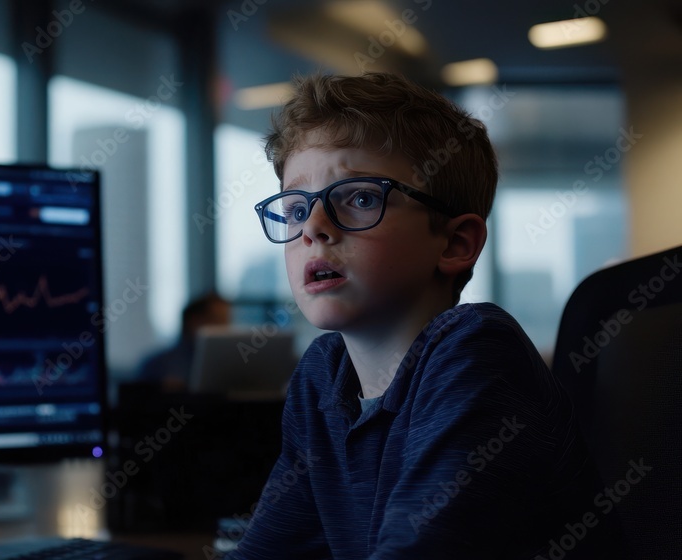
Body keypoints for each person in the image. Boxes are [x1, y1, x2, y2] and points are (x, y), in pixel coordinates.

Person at [228, 73, 622, 559]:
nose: (313, 227)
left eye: (360, 198)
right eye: (294, 208)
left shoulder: (476, 351)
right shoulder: (323, 377)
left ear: (456, 243)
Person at [135, 292, 231, 391]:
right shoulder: (157, 365)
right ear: (194, 322)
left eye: (227, 321)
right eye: (218, 321)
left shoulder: (228, 362)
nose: (225, 328)